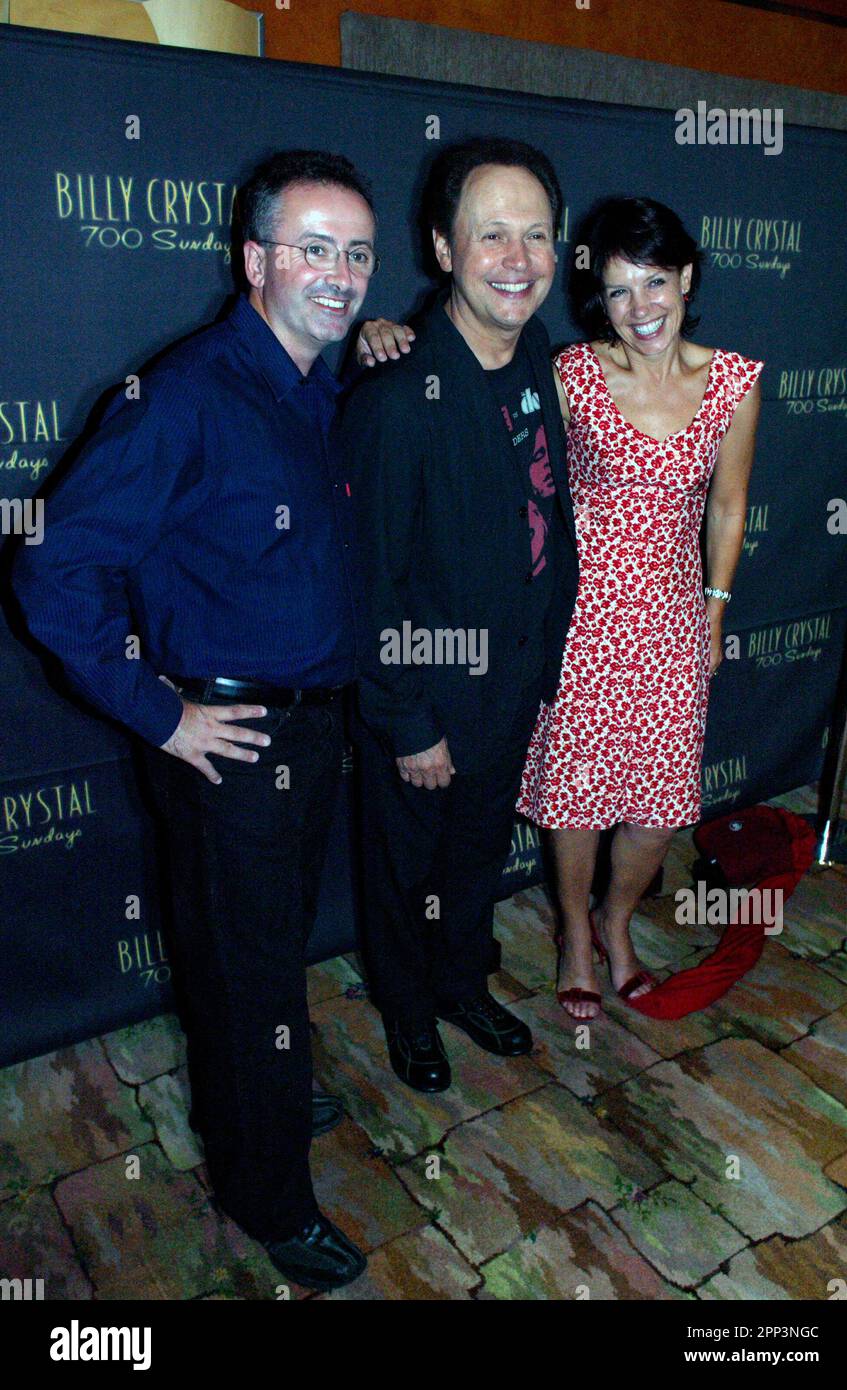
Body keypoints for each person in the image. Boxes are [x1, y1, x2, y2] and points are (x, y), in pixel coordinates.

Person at [13, 150, 379, 1292]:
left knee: (262, 960)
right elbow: (52, 565)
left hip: (308, 729)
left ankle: (256, 1093)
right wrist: (159, 715)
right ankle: (268, 1197)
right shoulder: (185, 394)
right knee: (246, 974)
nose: (339, 273)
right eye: (312, 249)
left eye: (357, 252)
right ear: (255, 260)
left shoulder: (314, 385)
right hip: (227, 741)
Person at [341, 137, 579, 1092]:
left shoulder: (542, 361)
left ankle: (459, 983)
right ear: (443, 249)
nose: (517, 259)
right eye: (491, 235)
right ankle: (407, 1010)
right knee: (404, 869)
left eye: (536, 235)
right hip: (427, 702)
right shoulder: (395, 398)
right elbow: (369, 582)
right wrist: (406, 720)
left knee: (476, 855)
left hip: (514, 684)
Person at [516, 196, 762, 1021]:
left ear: (686, 277)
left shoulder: (731, 382)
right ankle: (574, 936)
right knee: (575, 797)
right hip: (582, 621)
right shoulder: (573, 373)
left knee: (657, 813)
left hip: (670, 624)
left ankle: (615, 922)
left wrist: (713, 613)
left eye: (653, 281)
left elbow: (727, 506)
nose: (638, 307)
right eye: (617, 290)